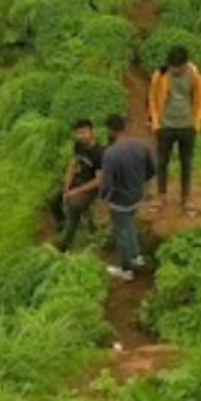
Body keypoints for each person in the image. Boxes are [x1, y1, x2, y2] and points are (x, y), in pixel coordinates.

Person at [148, 45, 201, 214]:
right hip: (165, 125)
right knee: (162, 162)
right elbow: (152, 97)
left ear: (185, 64)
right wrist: (156, 123)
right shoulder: (160, 74)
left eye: (178, 67)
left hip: (187, 125)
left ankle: (186, 197)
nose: (174, 70)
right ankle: (161, 196)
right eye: (172, 66)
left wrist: (196, 123)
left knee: (186, 162)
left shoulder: (194, 74)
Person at [99, 113, 156, 282]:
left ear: (110, 130)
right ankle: (136, 257)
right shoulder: (141, 145)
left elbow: (107, 182)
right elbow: (152, 170)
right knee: (129, 226)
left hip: (120, 201)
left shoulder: (111, 154)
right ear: (125, 127)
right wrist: (139, 184)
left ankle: (126, 269)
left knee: (122, 232)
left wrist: (103, 199)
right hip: (137, 196)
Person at [48, 119, 104, 252]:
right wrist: (66, 189)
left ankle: (64, 244)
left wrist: (75, 192)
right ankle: (63, 225)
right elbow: (72, 167)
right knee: (53, 200)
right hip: (77, 183)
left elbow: (99, 181)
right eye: (78, 133)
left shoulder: (100, 153)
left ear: (92, 132)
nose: (81, 136)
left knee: (74, 206)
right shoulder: (79, 146)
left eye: (84, 132)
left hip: (91, 187)